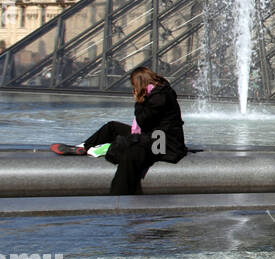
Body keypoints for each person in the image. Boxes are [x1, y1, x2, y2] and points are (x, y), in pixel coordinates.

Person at [49, 66, 188, 195]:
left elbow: (143, 122)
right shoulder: (160, 92)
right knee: (112, 127)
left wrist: (139, 101)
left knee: (131, 153)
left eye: (134, 85)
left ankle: (118, 193)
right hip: (156, 137)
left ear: (139, 84)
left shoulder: (157, 99)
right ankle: (83, 147)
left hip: (163, 144)